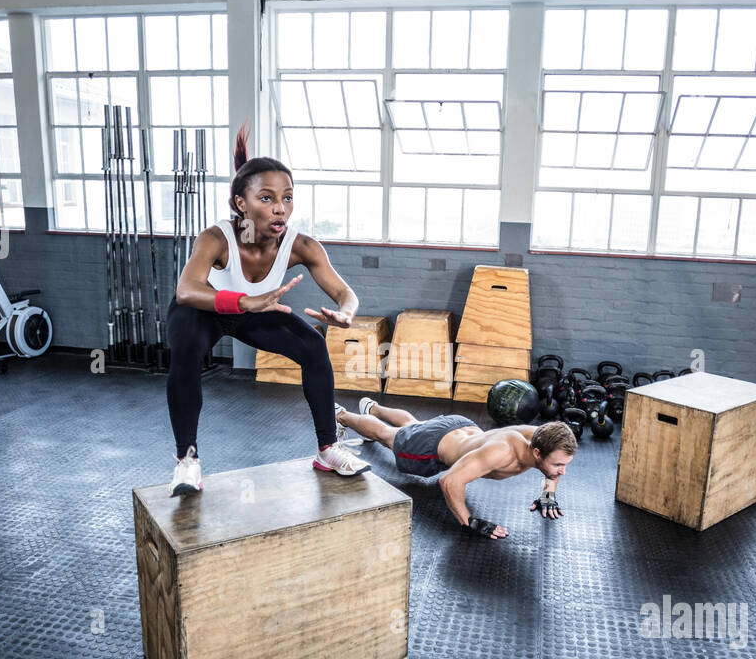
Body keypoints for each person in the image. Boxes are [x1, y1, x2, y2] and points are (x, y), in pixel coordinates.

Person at [167, 120, 369, 495]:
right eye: (267, 198)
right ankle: (187, 460)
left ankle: (328, 449)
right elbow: (186, 290)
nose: (280, 209)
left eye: (287, 198)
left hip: (252, 315)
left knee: (312, 346)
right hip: (203, 311)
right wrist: (244, 300)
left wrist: (346, 312)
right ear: (241, 203)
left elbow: (345, 292)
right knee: (186, 352)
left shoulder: (300, 245)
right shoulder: (217, 238)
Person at [332, 399, 577, 540]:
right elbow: (449, 481)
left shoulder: (539, 437)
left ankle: (373, 407)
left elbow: (555, 464)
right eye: (558, 466)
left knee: (413, 425)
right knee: (388, 436)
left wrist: (548, 493)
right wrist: (469, 521)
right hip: (431, 447)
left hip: (459, 427)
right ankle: (341, 415)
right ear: (537, 454)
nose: (561, 471)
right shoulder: (502, 452)